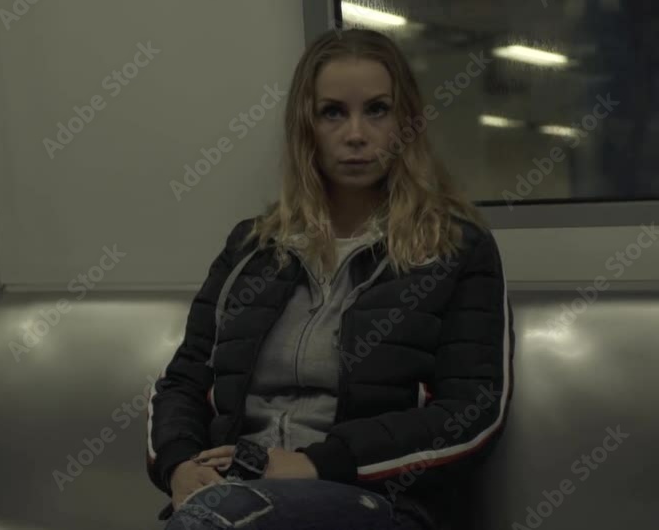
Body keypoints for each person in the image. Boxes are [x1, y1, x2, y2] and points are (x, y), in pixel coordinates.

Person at [145, 28, 515, 529]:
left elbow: (472, 414)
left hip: (375, 501)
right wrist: (179, 466)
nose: (356, 134)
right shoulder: (252, 248)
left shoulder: (454, 248)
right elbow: (183, 382)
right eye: (333, 113)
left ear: (405, 122)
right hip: (232, 494)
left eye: (377, 110)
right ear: (307, 127)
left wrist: (318, 464)